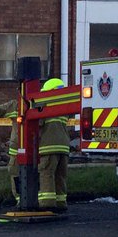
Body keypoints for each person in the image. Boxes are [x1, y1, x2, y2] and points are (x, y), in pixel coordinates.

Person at [37, 77, 71, 212]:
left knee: (47, 174)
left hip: (48, 147)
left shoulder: (46, 107)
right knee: (60, 175)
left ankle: (47, 204)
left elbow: (38, 125)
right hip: (64, 147)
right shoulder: (64, 108)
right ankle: (61, 203)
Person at [0, 96, 21, 207]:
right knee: (15, 172)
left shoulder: (38, 104)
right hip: (17, 147)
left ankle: (36, 199)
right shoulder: (15, 105)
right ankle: (20, 199)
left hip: (34, 147)